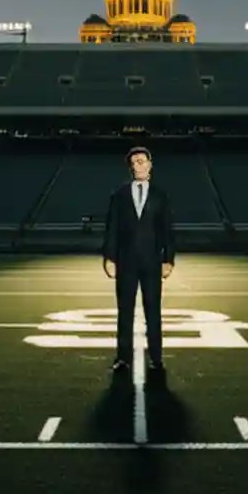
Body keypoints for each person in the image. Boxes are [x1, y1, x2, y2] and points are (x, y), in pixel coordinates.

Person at [102, 145, 175, 372]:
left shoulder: (161, 195)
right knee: (125, 310)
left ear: (150, 164)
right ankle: (123, 356)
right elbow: (112, 227)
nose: (138, 165)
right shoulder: (120, 194)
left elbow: (167, 230)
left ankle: (156, 356)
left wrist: (168, 259)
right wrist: (109, 257)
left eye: (142, 161)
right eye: (134, 162)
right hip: (126, 262)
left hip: (152, 262)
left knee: (153, 310)